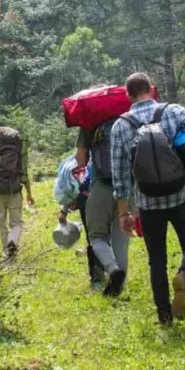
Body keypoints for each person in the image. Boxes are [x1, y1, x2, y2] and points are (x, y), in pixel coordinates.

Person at [111, 72, 185, 325]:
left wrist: (124, 213)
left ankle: (164, 315)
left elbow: (120, 175)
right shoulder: (173, 111)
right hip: (181, 195)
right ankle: (184, 275)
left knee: (156, 260)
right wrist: (181, 143)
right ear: (152, 89)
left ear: (128, 96)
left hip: (147, 203)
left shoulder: (120, 126)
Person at [75, 116, 131, 295]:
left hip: (101, 185)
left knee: (97, 237)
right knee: (121, 240)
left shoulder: (89, 123)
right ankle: (118, 288)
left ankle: (113, 270)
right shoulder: (128, 119)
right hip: (129, 185)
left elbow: (81, 160)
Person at [0, 127, 35, 258]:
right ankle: (12, 242)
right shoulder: (20, 145)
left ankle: (6, 252)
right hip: (14, 189)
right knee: (16, 222)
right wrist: (29, 193)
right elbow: (24, 173)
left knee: (1, 223)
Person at [58, 164, 104, 286]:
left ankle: (97, 277)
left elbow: (70, 187)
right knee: (101, 238)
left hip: (87, 204)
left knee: (93, 239)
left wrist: (64, 211)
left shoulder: (77, 161)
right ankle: (101, 274)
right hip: (106, 201)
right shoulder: (107, 151)